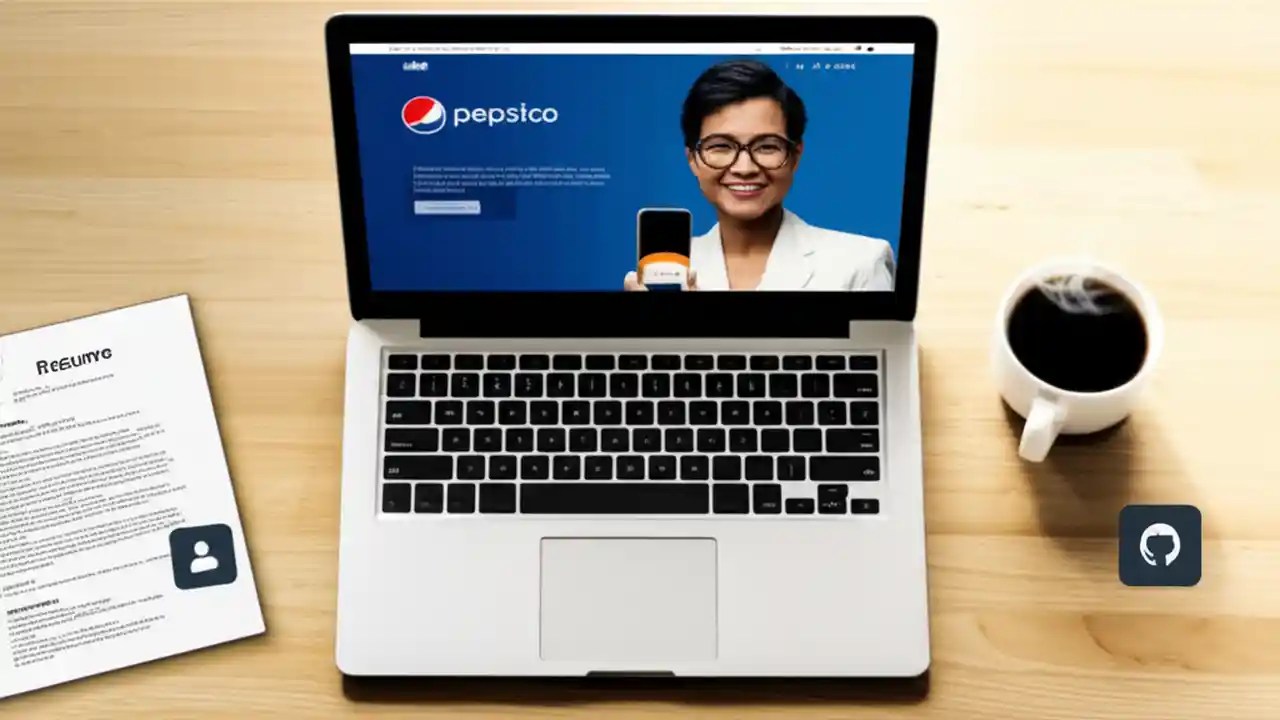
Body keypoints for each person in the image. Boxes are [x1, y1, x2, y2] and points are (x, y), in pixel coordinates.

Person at [624, 58, 895, 292]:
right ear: (692, 159)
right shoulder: (662, 270)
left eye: (766, 147)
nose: (745, 168)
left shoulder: (860, 263)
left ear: (795, 156)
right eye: (721, 146)